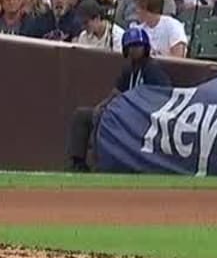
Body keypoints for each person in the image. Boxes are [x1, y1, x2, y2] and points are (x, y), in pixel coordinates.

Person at [65, 27, 171, 172]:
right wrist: (102, 105)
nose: (134, 50)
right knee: (83, 114)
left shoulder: (152, 69)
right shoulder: (129, 69)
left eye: (138, 46)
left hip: (143, 115)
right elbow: (116, 92)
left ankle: (100, 164)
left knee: (103, 118)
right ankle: (78, 162)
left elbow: (163, 95)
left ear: (145, 48)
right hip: (123, 112)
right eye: (131, 47)